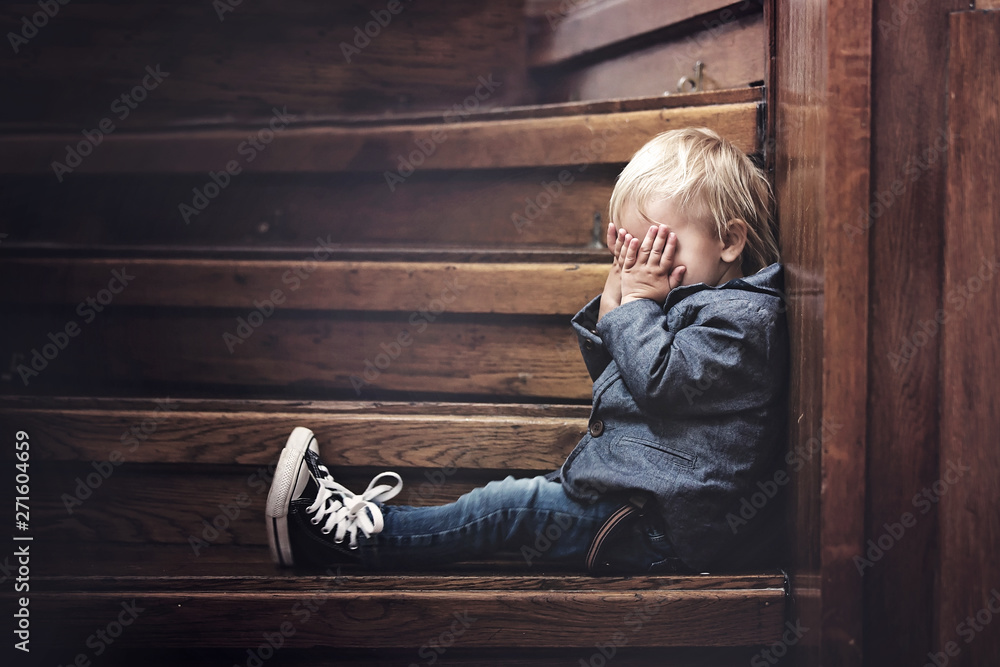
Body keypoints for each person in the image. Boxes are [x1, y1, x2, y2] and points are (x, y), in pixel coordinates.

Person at [265, 127, 789, 574]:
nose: (638, 268)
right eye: (628, 251)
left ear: (729, 240)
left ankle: (349, 541)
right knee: (508, 502)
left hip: (660, 532)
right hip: (635, 505)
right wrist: (614, 316)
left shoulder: (743, 321)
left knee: (504, 508)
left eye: (655, 245)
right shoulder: (687, 306)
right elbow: (632, 386)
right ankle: (358, 534)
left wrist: (634, 312)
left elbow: (660, 383)